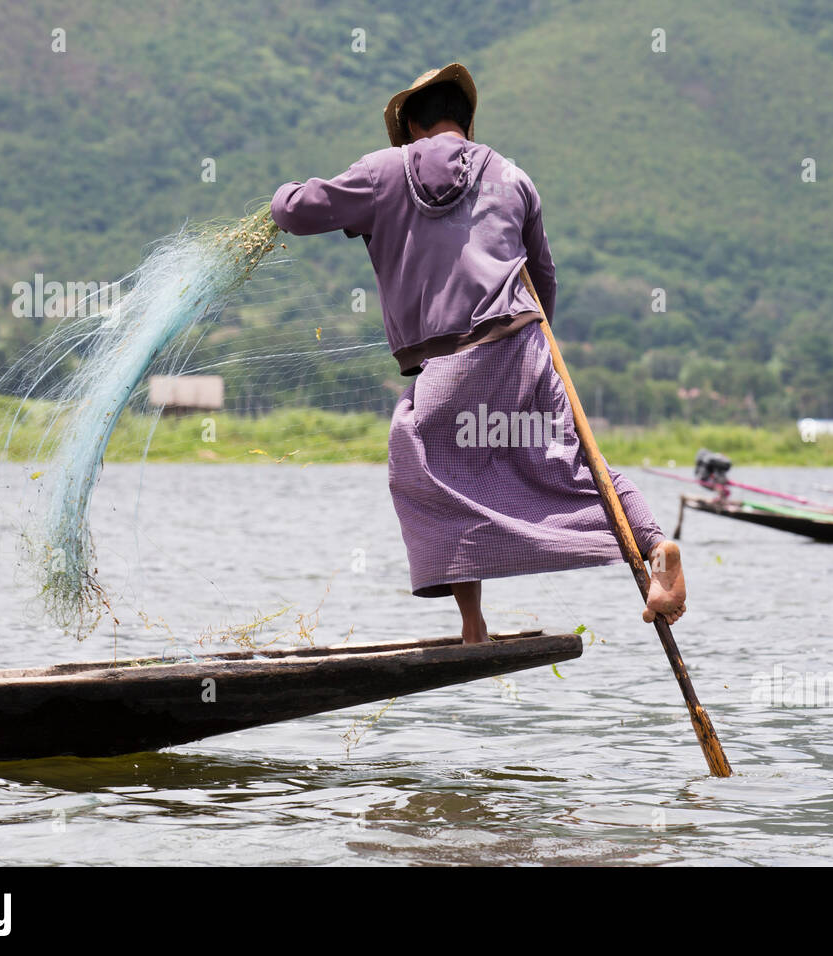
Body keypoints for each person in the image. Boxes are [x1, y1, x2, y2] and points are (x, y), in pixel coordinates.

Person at [270, 63, 686, 643]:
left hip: (456, 353)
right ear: (464, 122)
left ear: (413, 126)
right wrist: (529, 362)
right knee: (566, 460)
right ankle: (654, 545)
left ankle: (473, 625)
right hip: (523, 340)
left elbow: (294, 211)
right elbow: (543, 273)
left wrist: (277, 197)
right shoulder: (512, 177)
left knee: (420, 457)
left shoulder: (383, 171)